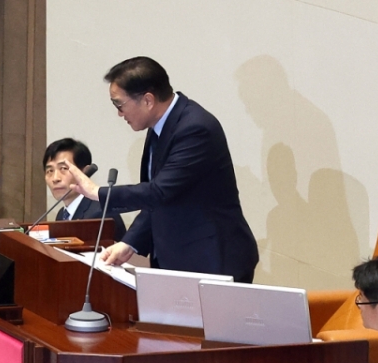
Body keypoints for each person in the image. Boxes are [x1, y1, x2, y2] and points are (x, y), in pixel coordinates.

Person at [62, 56, 258, 282]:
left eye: (119, 104)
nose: (119, 113)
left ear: (147, 100)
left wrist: (97, 192)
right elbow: (159, 200)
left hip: (212, 261)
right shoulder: (161, 126)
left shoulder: (195, 128)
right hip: (179, 259)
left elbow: (158, 191)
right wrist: (130, 243)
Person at [42, 137, 126, 240]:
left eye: (63, 168)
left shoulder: (102, 213)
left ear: (85, 172)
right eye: (50, 171)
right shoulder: (61, 214)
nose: (55, 178)